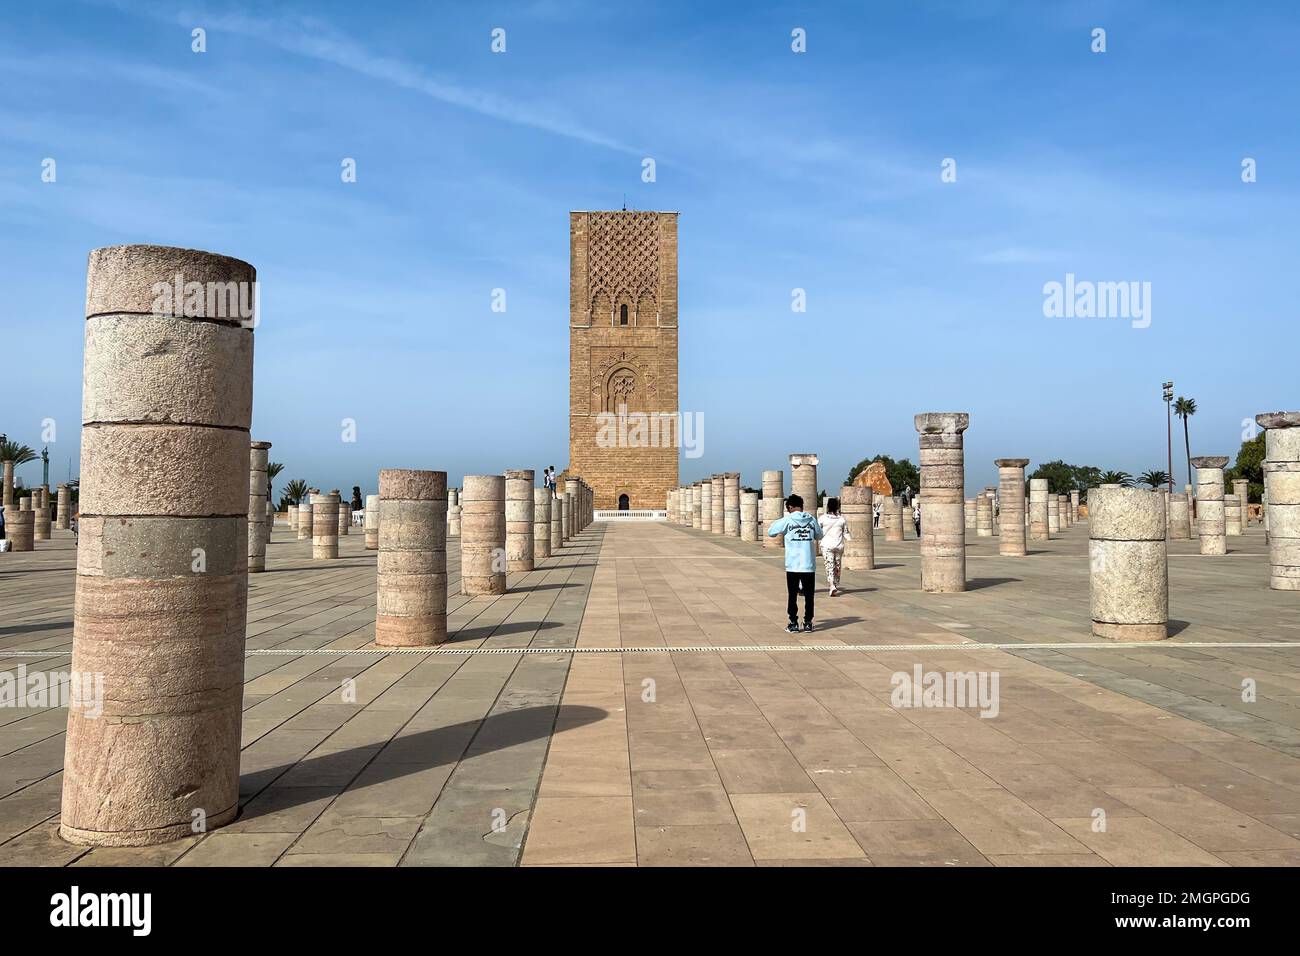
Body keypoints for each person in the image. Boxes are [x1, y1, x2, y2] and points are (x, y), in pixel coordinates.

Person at [766, 493, 822, 632]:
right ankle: (808, 622)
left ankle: (793, 623)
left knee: (792, 595)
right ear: (801, 506)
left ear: (790, 507)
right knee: (809, 595)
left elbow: (771, 532)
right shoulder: (811, 519)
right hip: (808, 563)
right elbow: (819, 535)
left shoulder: (787, 520)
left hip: (793, 564)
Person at [818, 497, 849, 597]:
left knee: (829, 565)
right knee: (837, 565)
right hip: (839, 545)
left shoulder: (822, 518)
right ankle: (835, 584)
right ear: (837, 507)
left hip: (826, 545)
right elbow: (846, 533)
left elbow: (818, 532)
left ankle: (831, 585)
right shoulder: (841, 519)